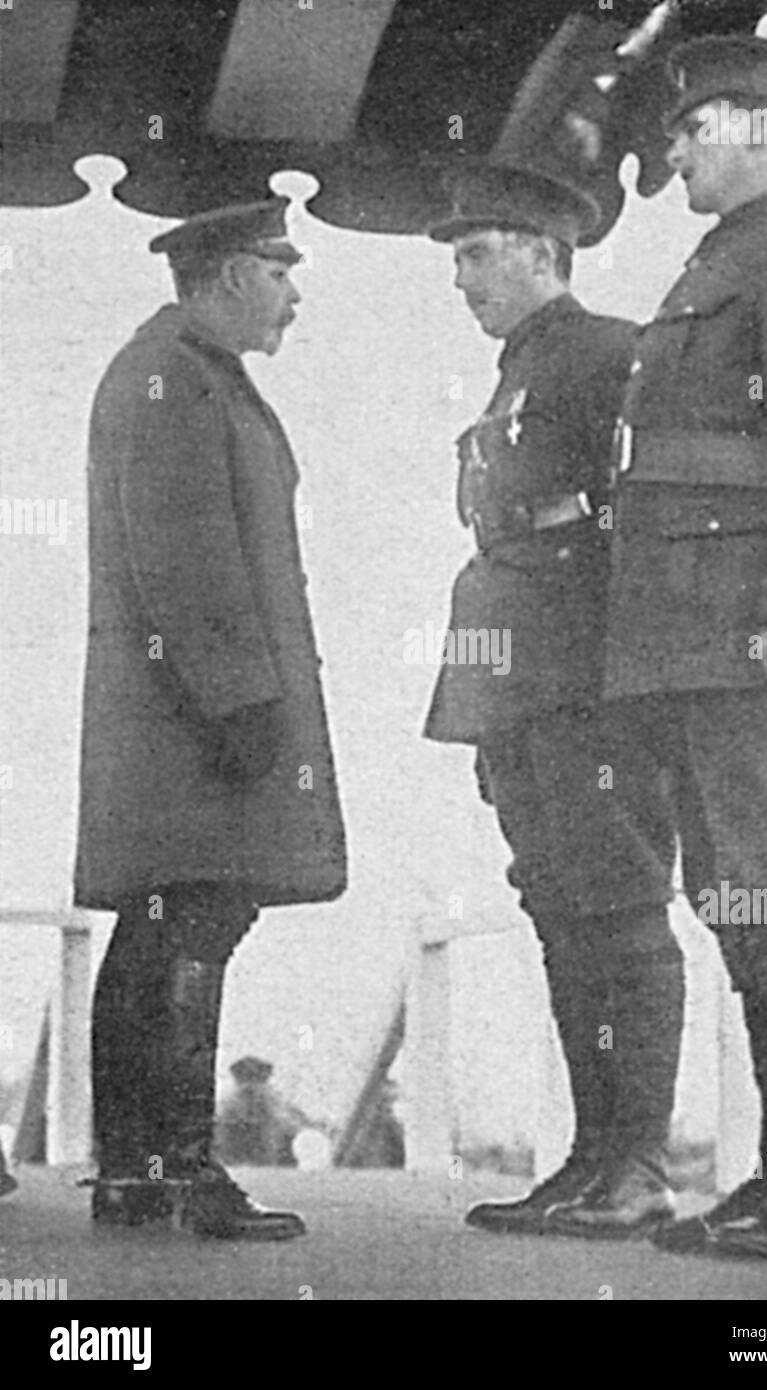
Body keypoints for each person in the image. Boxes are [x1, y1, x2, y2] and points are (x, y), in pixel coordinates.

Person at [552, 36, 767, 1260]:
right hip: (696, 648)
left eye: (696, 127)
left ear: (759, 131)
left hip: (758, 646)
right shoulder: (724, 261)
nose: (677, 145)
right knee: (739, 901)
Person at [75, 199, 347, 1240]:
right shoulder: (173, 372)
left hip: (169, 709)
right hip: (192, 713)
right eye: (281, 272)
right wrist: (240, 698)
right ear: (232, 273)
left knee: (158, 929)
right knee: (193, 921)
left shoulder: (178, 366)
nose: (292, 294)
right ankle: (180, 1169)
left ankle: (137, 1173)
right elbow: (182, 553)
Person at [423, 161, 686, 1236]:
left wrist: (635, 671)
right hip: (517, 672)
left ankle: (638, 1164)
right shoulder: (521, 366)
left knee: (618, 906)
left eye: (479, 256)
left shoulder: (607, 351)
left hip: (586, 670)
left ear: (544, 252)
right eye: (457, 262)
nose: (462, 280)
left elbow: (653, 518)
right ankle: (591, 1156)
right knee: (558, 908)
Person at [215, 1056, 308, 1167]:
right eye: (247, 1077)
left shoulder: (272, 1101)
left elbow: (291, 1123)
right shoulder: (231, 1103)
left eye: (254, 1078)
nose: (251, 1086)